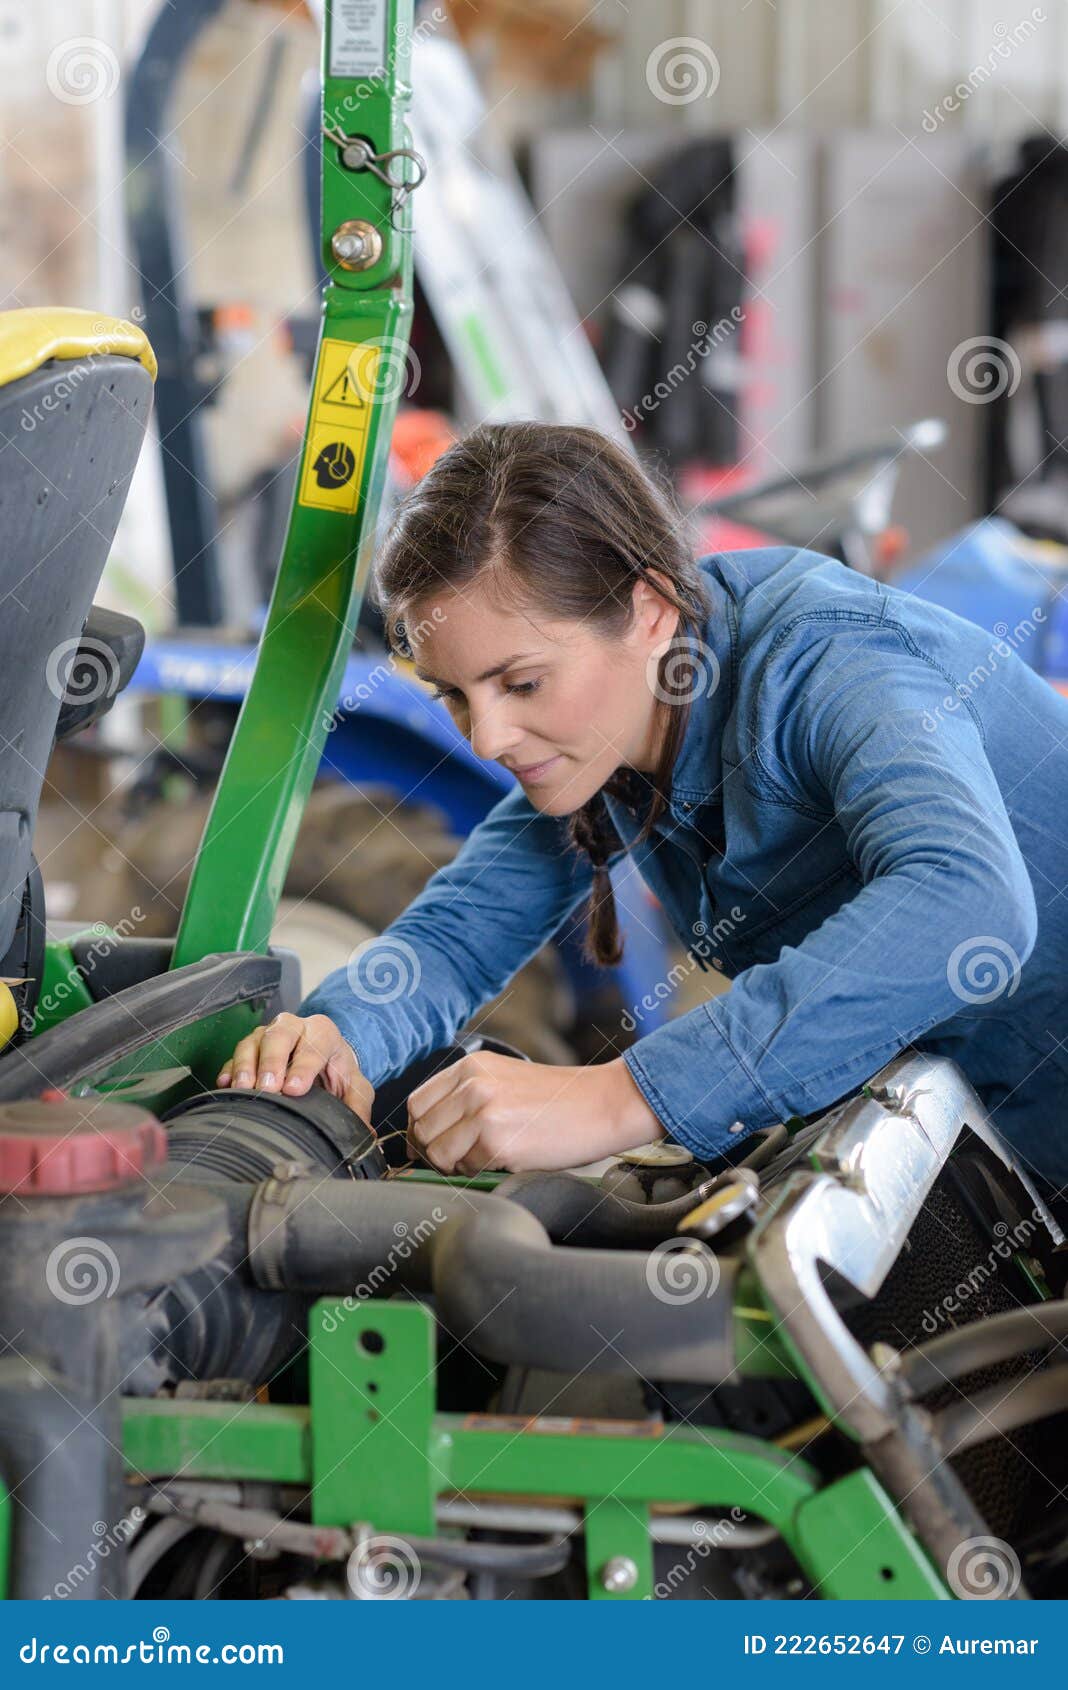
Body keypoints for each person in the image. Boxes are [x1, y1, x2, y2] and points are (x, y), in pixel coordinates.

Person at [217, 420, 1068, 1202]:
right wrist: (335, 1038)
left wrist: (616, 1096)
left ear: (651, 611)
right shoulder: (613, 740)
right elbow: (453, 937)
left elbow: (968, 901)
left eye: (521, 683)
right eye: (453, 694)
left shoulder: (832, 664)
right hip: (1001, 1157)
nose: (488, 737)